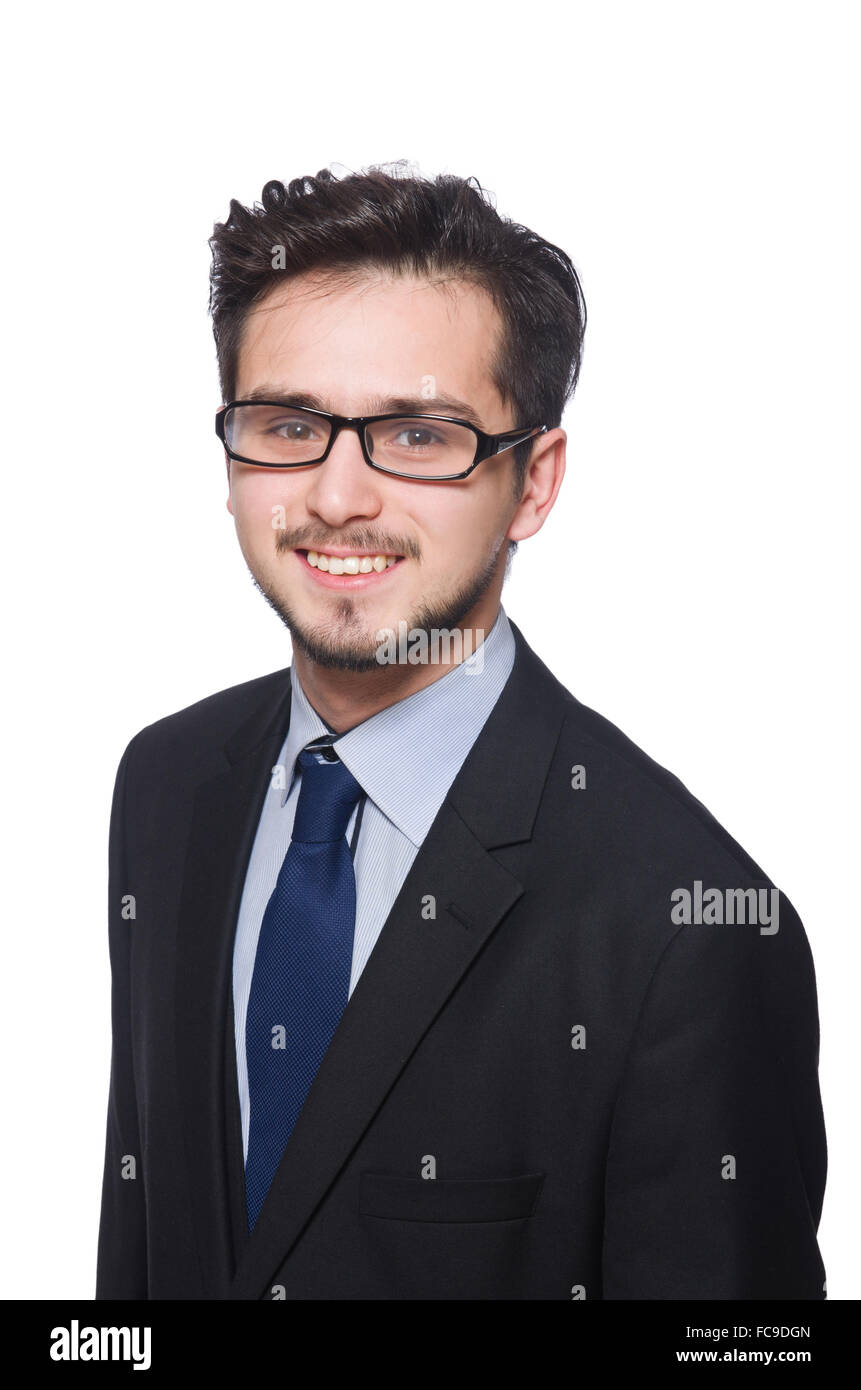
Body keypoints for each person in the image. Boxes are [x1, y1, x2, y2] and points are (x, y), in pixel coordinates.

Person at [95, 163, 826, 1300]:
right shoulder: (168, 783)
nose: (338, 496)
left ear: (533, 482)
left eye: (419, 436)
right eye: (289, 425)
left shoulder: (687, 926)